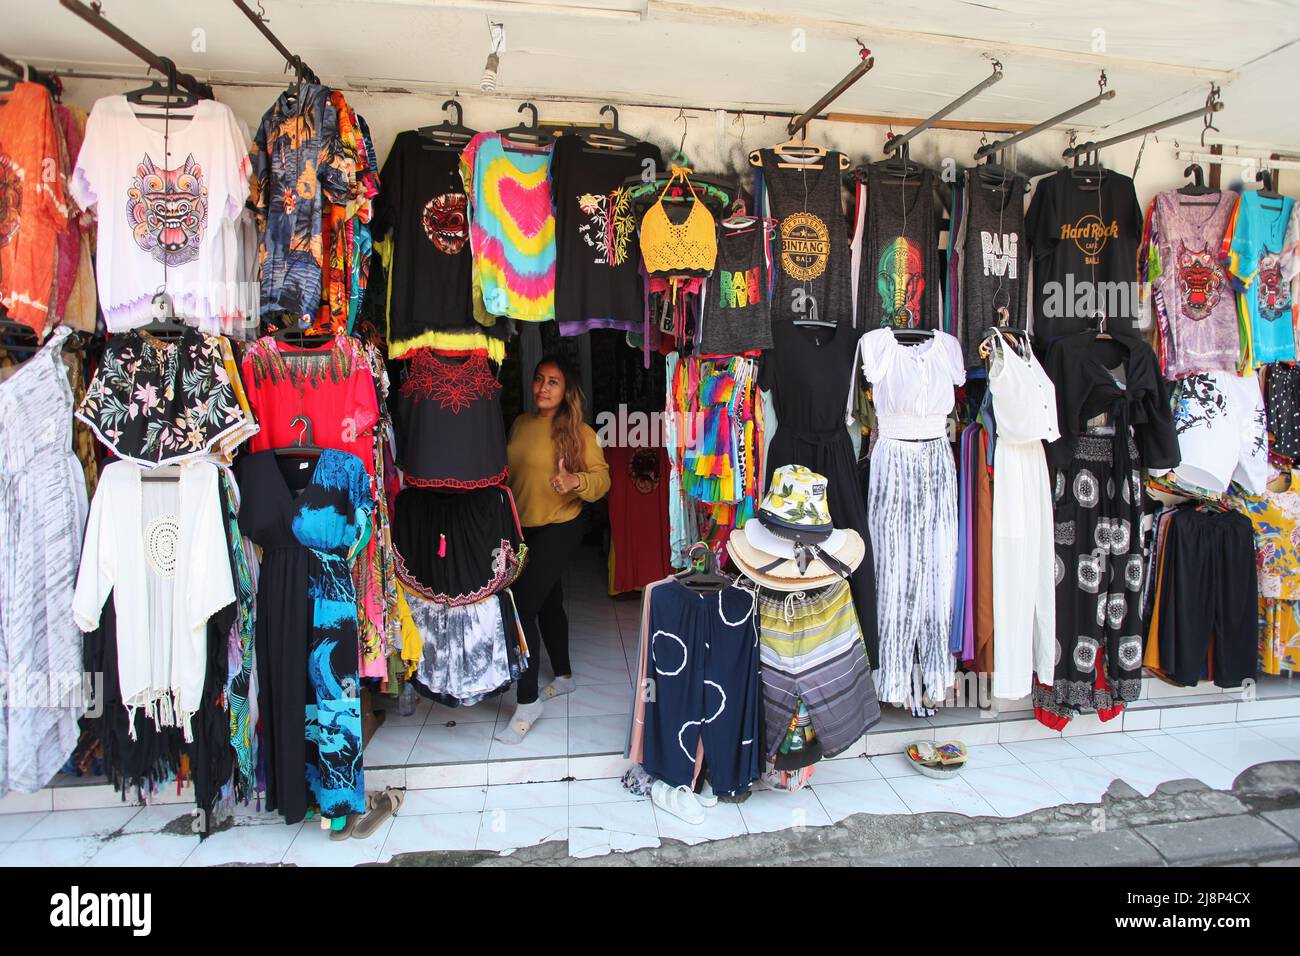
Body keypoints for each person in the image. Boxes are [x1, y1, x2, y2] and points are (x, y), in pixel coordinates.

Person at [496, 355, 610, 744]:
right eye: (539, 379)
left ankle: (526, 700)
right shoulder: (521, 424)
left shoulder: (579, 432)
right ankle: (563, 676)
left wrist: (574, 480)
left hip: (561, 526)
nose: (543, 388)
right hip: (523, 528)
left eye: (553, 382)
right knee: (547, 601)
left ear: (566, 391)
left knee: (523, 606)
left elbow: (602, 480)